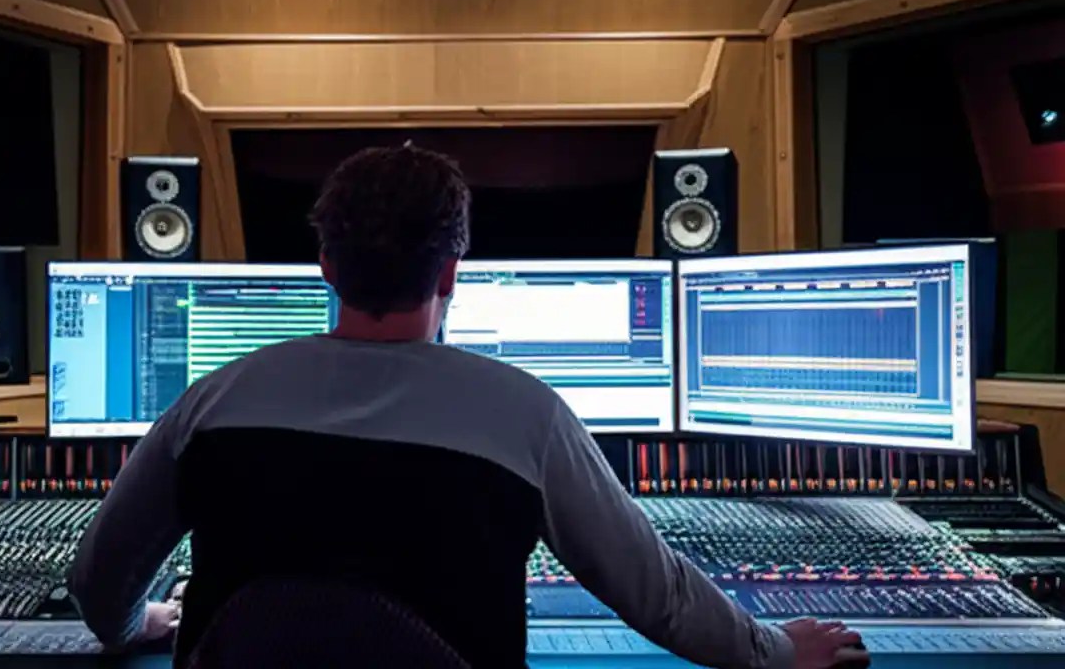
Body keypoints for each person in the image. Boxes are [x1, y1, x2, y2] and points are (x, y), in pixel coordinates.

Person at [69, 144, 869, 669]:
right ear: (452, 273)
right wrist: (772, 650)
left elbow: (98, 582)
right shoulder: (523, 414)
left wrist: (136, 625)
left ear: (325, 266)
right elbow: (657, 596)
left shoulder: (213, 400)